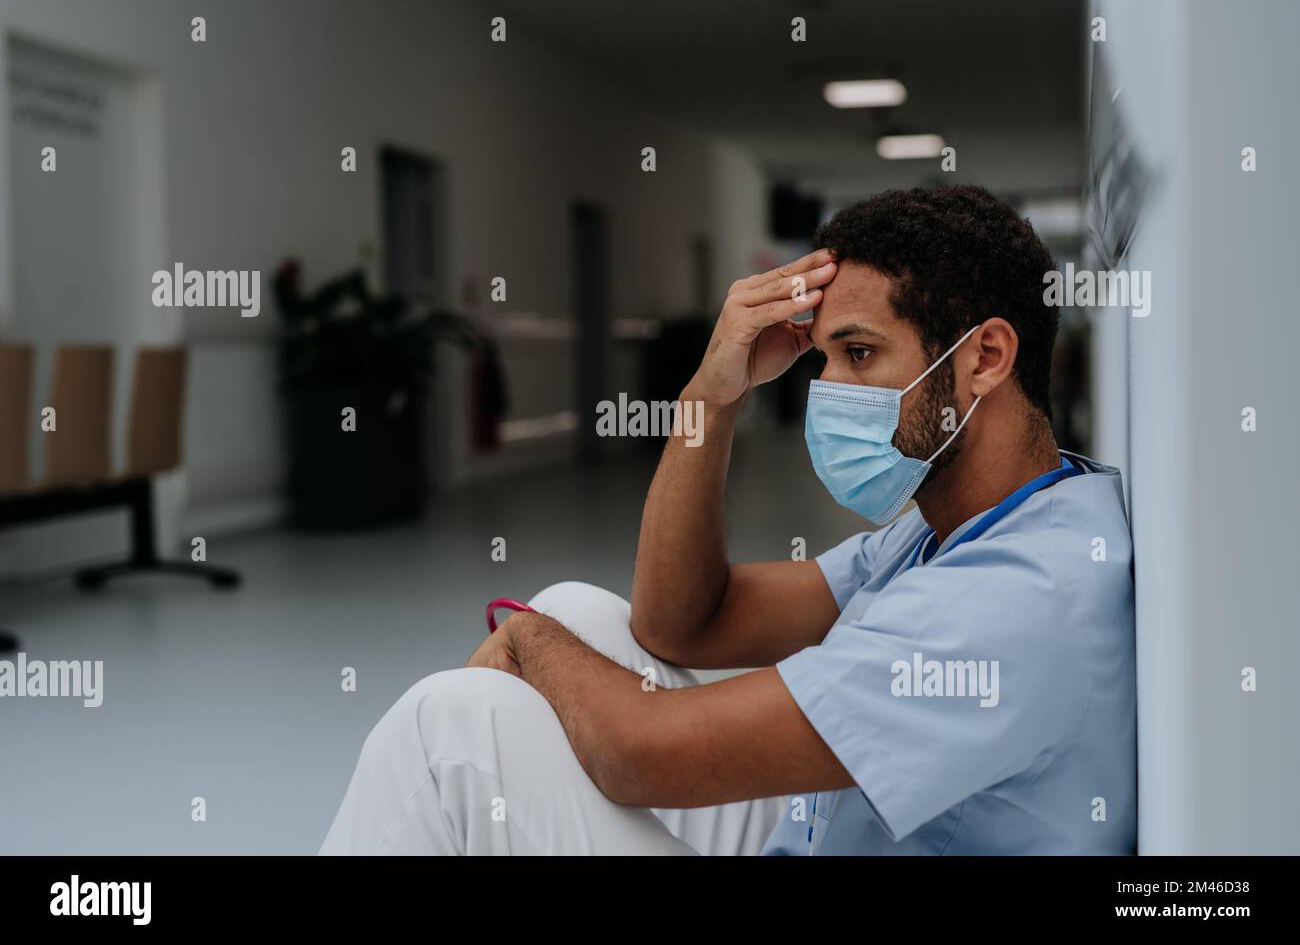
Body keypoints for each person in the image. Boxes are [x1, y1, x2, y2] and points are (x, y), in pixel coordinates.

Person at [319, 185, 1137, 856]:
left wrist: (523, 637)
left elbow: (641, 756)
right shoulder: (970, 523)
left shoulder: (1013, 600)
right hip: (840, 828)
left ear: (984, 358)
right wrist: (712, 395)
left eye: (858, 354)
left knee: (452, 730)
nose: (830, 391)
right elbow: (683, 623)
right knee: (579, 611)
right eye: (823, 360)